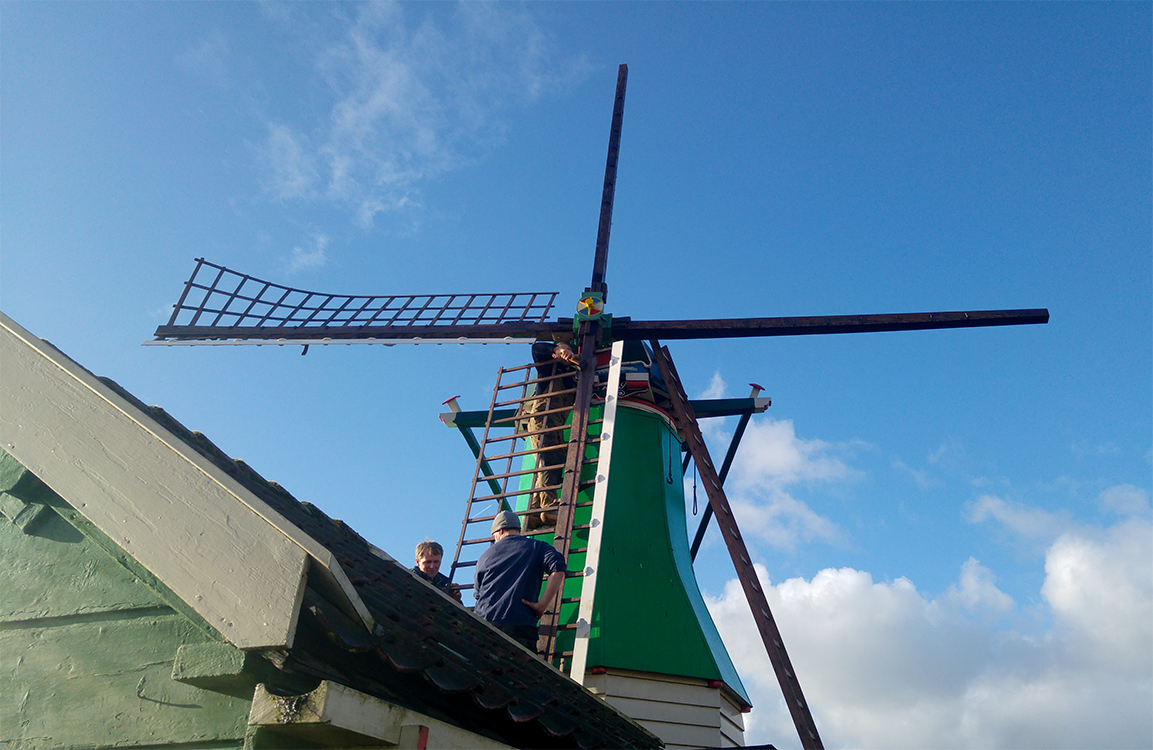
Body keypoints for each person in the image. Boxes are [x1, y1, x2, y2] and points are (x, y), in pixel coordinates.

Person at [473, 510, 566, 651]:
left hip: (485, 625)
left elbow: (478, 595)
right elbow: (558, 568)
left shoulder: (484, 557)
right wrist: (542, 605)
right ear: (518, 529)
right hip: (520, 626)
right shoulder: (538, 547)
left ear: (500, 531)